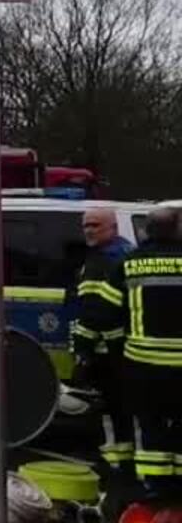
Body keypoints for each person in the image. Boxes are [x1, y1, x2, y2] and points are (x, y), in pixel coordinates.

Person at [101, 206, 182, 501]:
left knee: (151, 426)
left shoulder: (128, 264)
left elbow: (107, 314)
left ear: (147, 231)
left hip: (144, 367)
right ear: (177, 230)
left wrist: (114, 354)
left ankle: (156, 489)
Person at [67, 204, 136, 493]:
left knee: (112, 413)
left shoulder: (105, 260)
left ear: (112, 227)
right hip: (122, 351)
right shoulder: (125, 253)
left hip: (107, 353)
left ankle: (118, 475)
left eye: (95, 225)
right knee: (121, 414)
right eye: (86, 225)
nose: (89, 230)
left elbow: (95, 312)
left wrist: (82, 350)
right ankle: (124, 469)